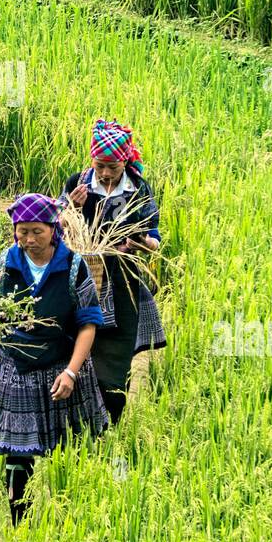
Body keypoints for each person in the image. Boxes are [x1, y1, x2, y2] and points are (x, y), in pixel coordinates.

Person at [0, 193, 109, 525]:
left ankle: (75, 514)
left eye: (37, 231)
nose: (29, 240)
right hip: (16, 369)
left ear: (54, 229)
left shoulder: (74, 266)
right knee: (17, 451)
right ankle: (20, 520)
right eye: (23, 231)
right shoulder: (3, 266)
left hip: (60, 365)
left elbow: (88, 324)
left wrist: (72, 372)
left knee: (72, 445)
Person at [59, 119, 166, 426]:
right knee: (76, 341)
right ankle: (76, 415)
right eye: (100, 165)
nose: (105, 173)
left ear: (124, 162)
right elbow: (54, 228)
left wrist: (139, 241)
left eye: (112, 167)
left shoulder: (137, 189)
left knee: (117, 351)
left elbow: (154, 241)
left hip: (122, 281)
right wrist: (70, 207)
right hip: (83, 276)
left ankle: (112, 416)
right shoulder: (77, 183)